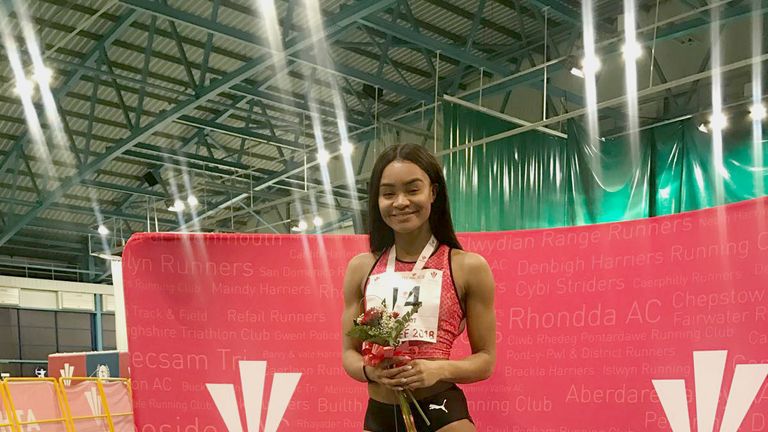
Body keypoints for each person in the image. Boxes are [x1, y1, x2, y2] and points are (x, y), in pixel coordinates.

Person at [342, 143, 497, 431]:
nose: (400, 202)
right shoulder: (360, 268)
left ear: (433, 193)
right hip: (379, 414)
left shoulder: (467, 267)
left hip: (442, 412)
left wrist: (438, 369)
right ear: (376, 200)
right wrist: (370, 371)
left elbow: (486, 360)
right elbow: (348, 354)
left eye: (413, 189)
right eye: (388, 193)